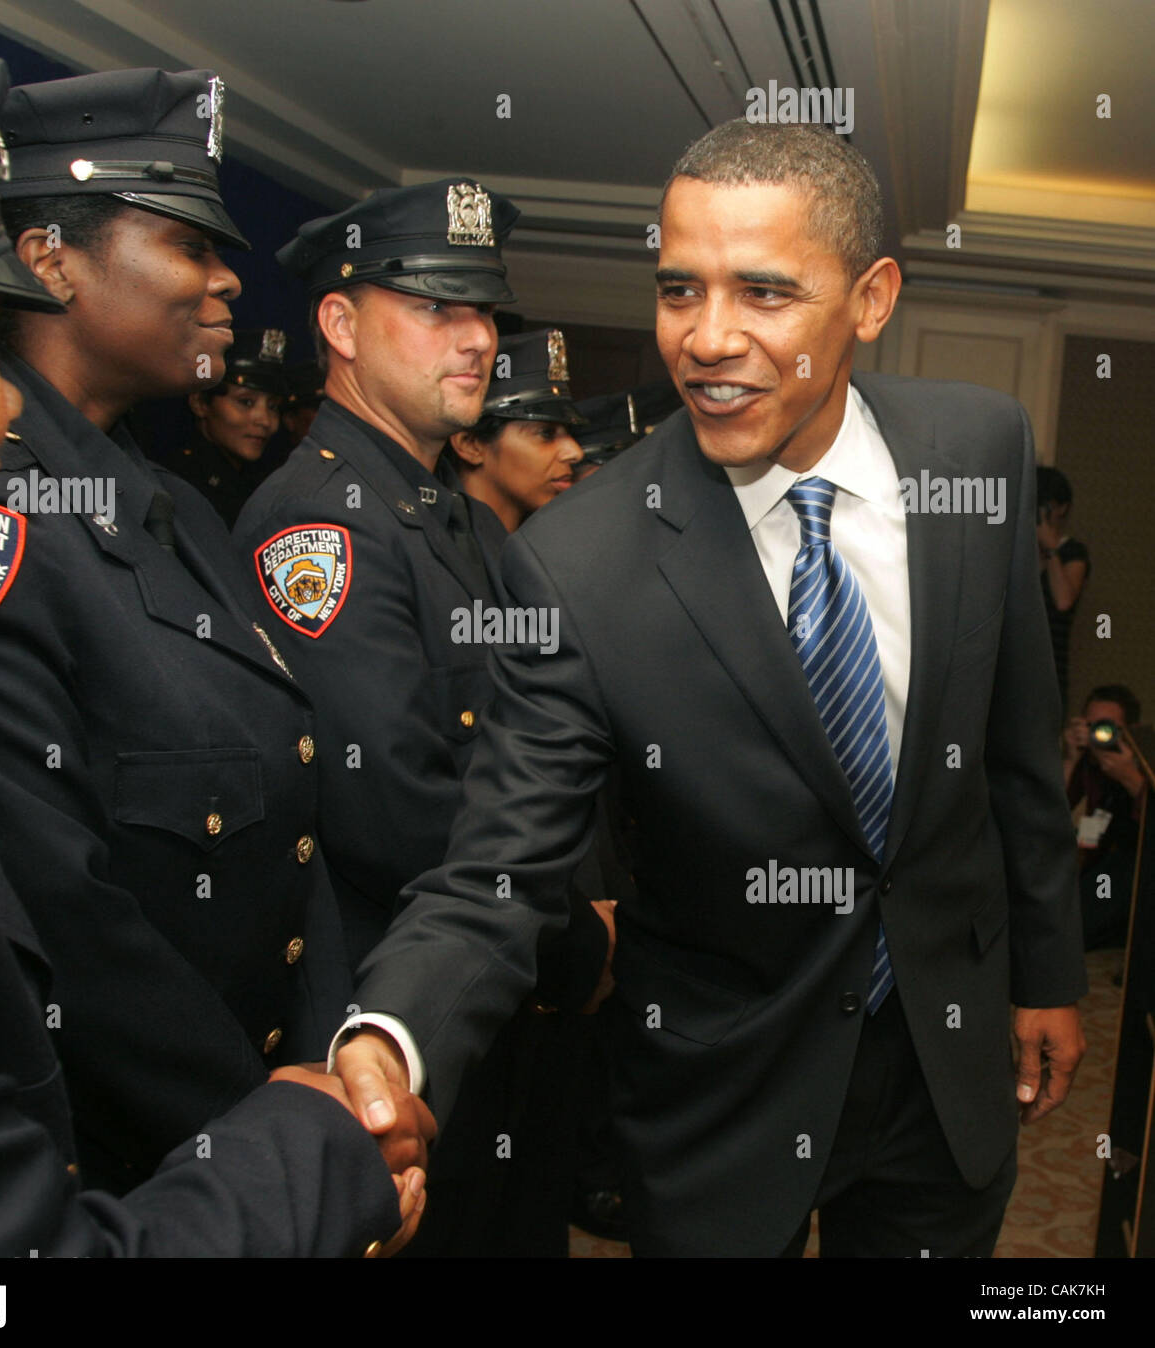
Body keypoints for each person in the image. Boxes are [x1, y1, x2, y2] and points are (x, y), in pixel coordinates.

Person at [331, 119, 1088, 1258]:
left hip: (943, 1057)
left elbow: (1018, 752)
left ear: (870, 298)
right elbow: (497, 867)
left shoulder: (974, 449)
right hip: (724, 1084)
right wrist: (390, 1035)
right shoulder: (581, 560)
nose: (709, 338)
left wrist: (1045, 974)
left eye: (766, 292)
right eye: (679, 289)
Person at [0, 34, 421, 1257]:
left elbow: (298, 796)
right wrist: (287, 1143)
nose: (223, 284)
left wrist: (325, 1072)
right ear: (47, 259)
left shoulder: (165, 499)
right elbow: (70, 923)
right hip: (146, 1169)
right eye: (188, 244)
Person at [234, 180, 609, 1256]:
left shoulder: (448, 514)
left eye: (485, 311)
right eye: (436, 308)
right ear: (341, 327)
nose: (478, 338)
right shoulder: (319, 521)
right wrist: (573, 936)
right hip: (388, 1014)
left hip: (484, 995)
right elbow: (385, 801)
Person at [447, 327, 585, 532]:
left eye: (570, 434)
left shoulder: (533, 551)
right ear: (471, 445)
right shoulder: (436, 551)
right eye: (546, 434)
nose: (576, 453)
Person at [170, 327, 290, 528]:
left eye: (273, 406)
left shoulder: (268, 482)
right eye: (246, 402)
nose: (265, 420)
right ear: (200, 403)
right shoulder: (177, 484)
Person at [1064, 684, 1147, 950]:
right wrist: (1071, 758)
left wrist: (1129, 777)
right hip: (1102, 861)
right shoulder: (1089, 762)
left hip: (1141, 864)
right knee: (1062, 921)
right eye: (1092, 725)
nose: (1099, 735)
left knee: (1078, 929)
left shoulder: (1146, 760)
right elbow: (1054, 809)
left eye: (1107, 727)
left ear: (1131, 731)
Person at [1037, 465, 1090, 713]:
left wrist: (1051, 548)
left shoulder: (1072, 552)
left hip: (1048, 673)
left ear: (1062, 508)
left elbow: (1063, 601)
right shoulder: (1015, 550)